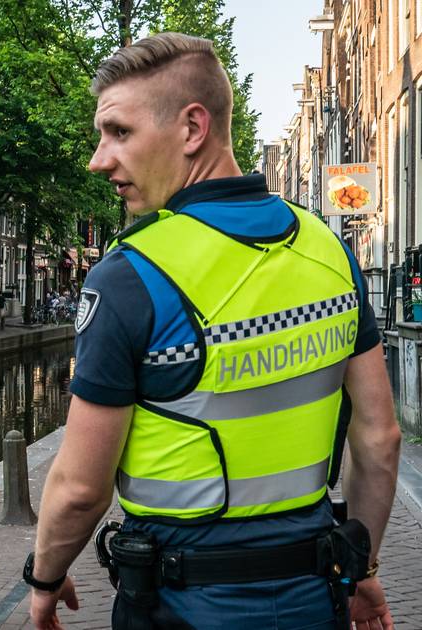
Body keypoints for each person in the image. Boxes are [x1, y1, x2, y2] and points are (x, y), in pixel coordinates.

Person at [26, 33, 399, 630]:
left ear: (192, 128)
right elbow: (379, 440)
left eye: (119, 132)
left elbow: (79, 490)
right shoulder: (330, 251)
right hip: (314, 596)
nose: (99, 159)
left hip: (182, 605)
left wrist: (45, 577)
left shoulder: (130, 276)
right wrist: (364, 568)